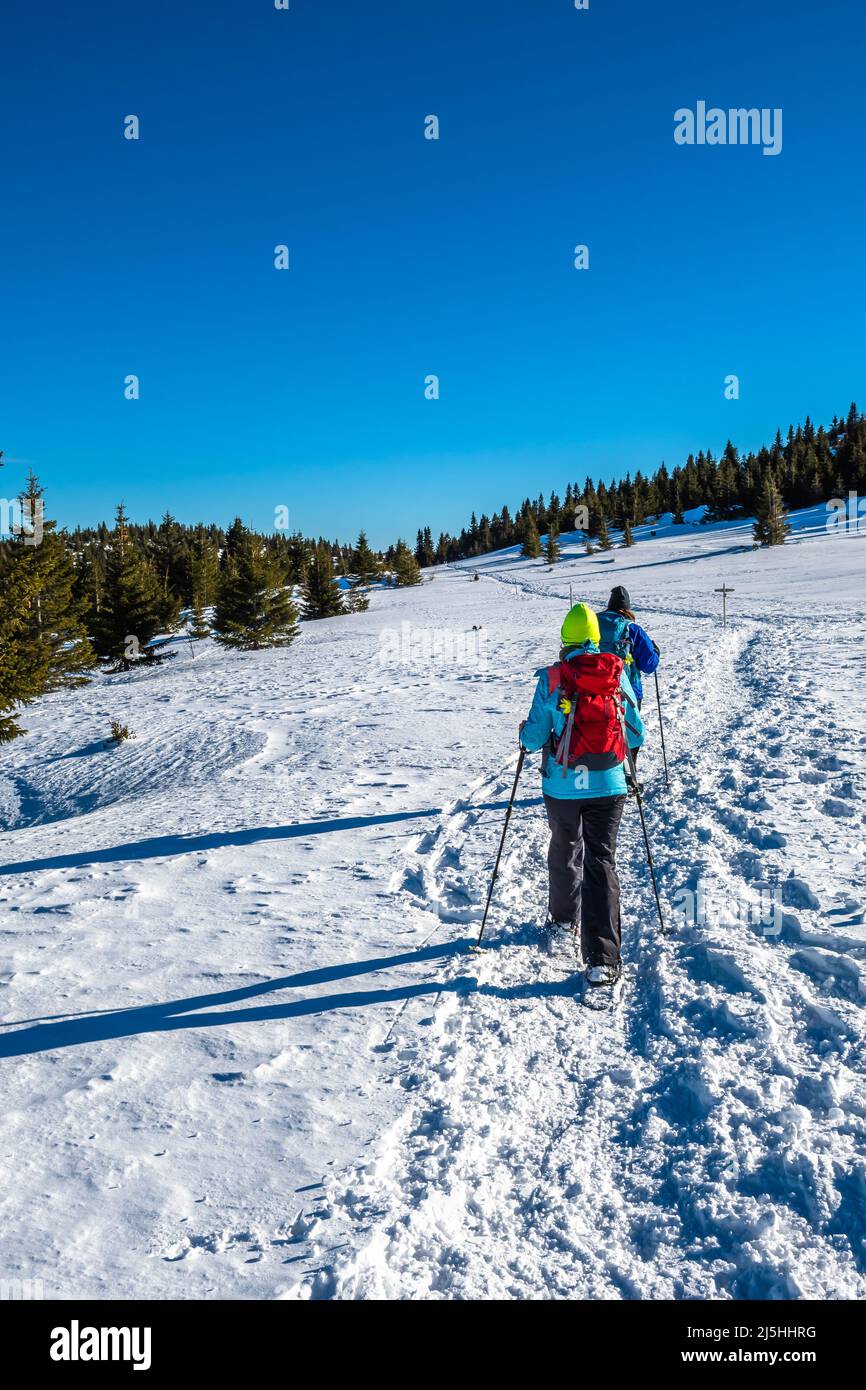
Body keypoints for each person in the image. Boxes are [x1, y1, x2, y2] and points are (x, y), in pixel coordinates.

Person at [519, 602, 644, 987]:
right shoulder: (617, 672)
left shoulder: (553, 679)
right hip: (609, 784)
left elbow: (534, 737)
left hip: (562, 785)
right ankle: (603, 958)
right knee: (601, 860)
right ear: (595, 638)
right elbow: (635, 733)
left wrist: (524, 732)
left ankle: (562, 921)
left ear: (565, 639)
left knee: (564, 846)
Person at [597, 585, 659, 710]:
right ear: (627, 608)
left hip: (594, 691)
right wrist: (656, 653)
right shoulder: (632, 629)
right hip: (627, 693)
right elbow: (648, 665)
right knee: (628, 729)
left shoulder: (592, 624)